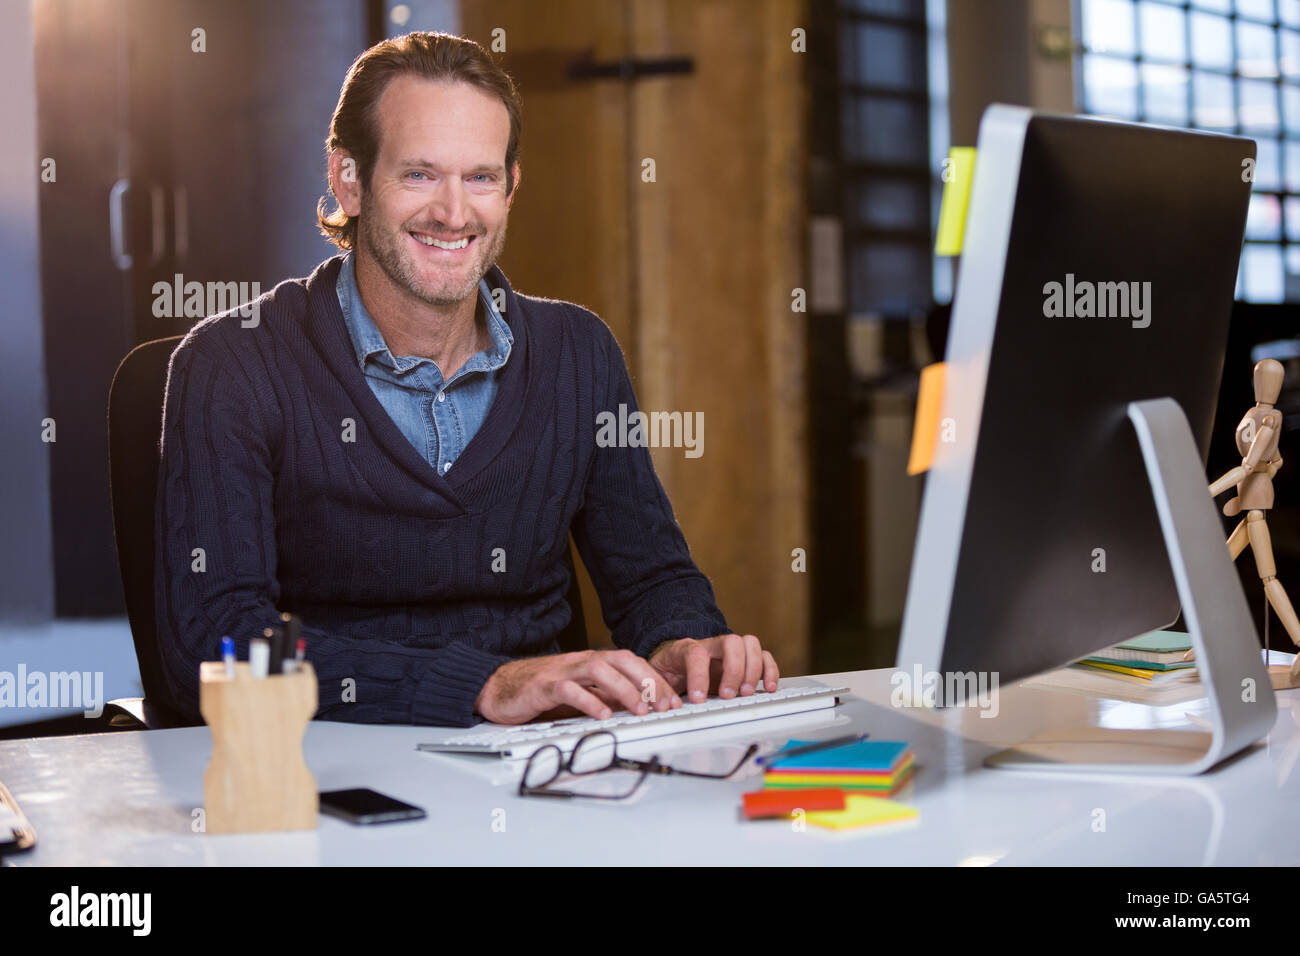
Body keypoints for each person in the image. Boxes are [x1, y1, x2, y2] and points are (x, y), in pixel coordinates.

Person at [155, 31, 779, 727]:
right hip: (326, 778)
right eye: (419, 174)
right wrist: (484, 684)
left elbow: (652, 579)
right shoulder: (233, 366)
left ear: (511, 189)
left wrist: (684, 644)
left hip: (540, 775)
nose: (454, 213)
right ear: (348, 180)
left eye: (480, 177)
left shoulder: (578, 353)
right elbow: (215, 648)